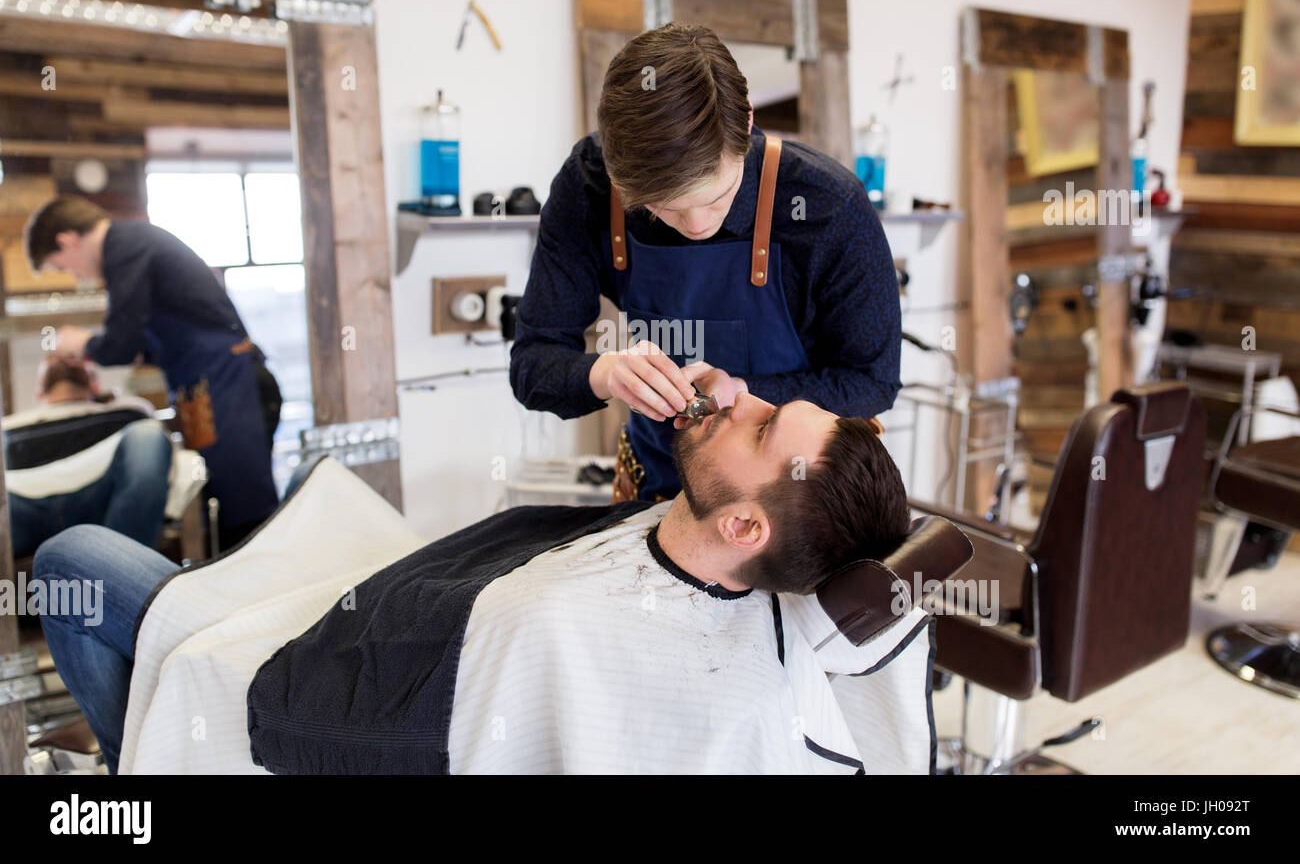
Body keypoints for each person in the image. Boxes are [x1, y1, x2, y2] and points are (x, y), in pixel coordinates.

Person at [34, 391, 914, 774]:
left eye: (760, 426)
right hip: (367, 599)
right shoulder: (708, 540)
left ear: (747, 528)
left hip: (301, 673)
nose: (743, 395)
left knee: (74, 560)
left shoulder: (640, 657)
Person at [510, 22, 902, 502]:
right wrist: (606, 372)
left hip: (796, 496)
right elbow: (533, 366)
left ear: (749, 124)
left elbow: (872, 381)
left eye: (717, 198)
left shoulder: (827, 205)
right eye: (664, 208)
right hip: (656, 483)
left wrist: (744, 390)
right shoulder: (589, 184)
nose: (696, 225)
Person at [23, 195, 282, 550]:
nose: (77, 276)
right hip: (211, 387)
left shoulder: (125, 247)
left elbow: (119, 343)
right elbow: (143, 342)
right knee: (226, 518)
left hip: (231, 385)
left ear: (67, 241)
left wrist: (80, 342)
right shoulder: (133, 247)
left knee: (249, 519)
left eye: (64, 267)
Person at [4, 357, 171, 558]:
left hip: (102, 500)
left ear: (95, 384)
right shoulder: (10, 425)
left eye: (74, 357)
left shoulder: (127, 411)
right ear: (38, 393)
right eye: (56, 359)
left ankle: (121, 568)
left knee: (148, 434)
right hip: (17, 510)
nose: (64, 358)